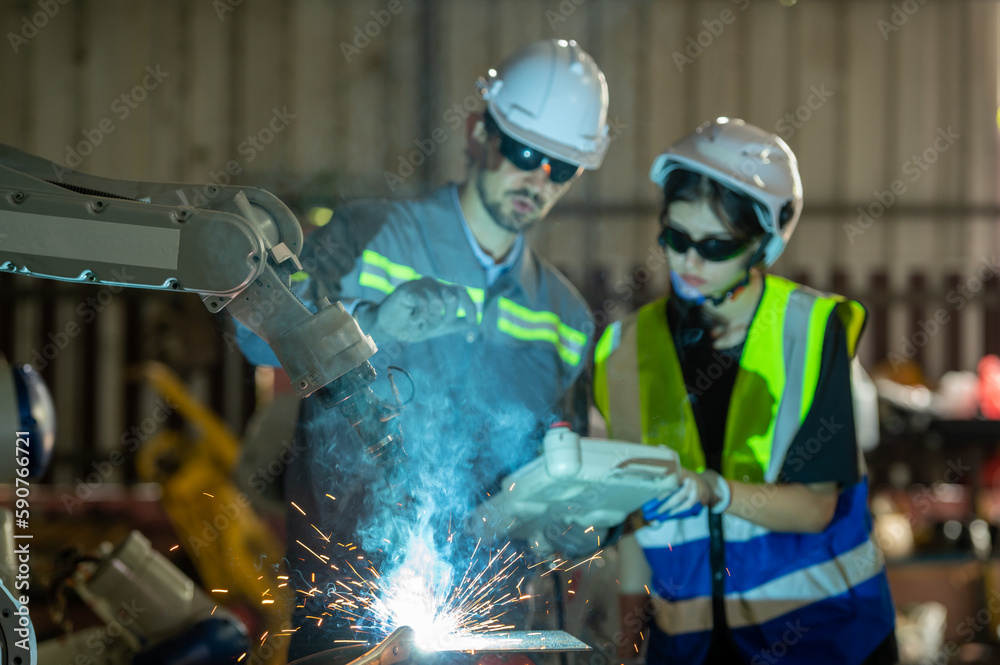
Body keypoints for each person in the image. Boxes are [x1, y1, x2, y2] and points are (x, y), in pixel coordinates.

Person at [235, 39, 611, 661]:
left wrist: (561, 522)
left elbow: (555, 458)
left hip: (489, 630)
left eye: (561, 168)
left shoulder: (565, 315)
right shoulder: (370, 236)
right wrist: (372, 322)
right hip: (351, 619)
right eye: (523, 152)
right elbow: (252, 334)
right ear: (477, 133)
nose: (537, 180)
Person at [593, 118, 897, 665]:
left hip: (824, 638)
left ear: (765, 242)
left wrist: (715, 489)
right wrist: (628, 646)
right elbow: (640, 523)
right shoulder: (625, 349)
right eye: (675, 237)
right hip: (688, 647)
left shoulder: (810, 330)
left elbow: (815, 508)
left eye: (714, 246)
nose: (688, 261)